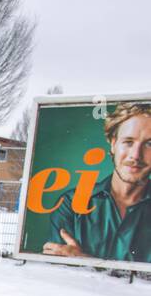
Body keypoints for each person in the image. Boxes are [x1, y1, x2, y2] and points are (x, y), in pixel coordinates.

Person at [45, 102, 151, 264]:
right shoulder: (71, 204)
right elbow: (59, 275)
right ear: (113, 144)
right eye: (128, 142)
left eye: (149, 144)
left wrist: (85, 260)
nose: (136, 155)